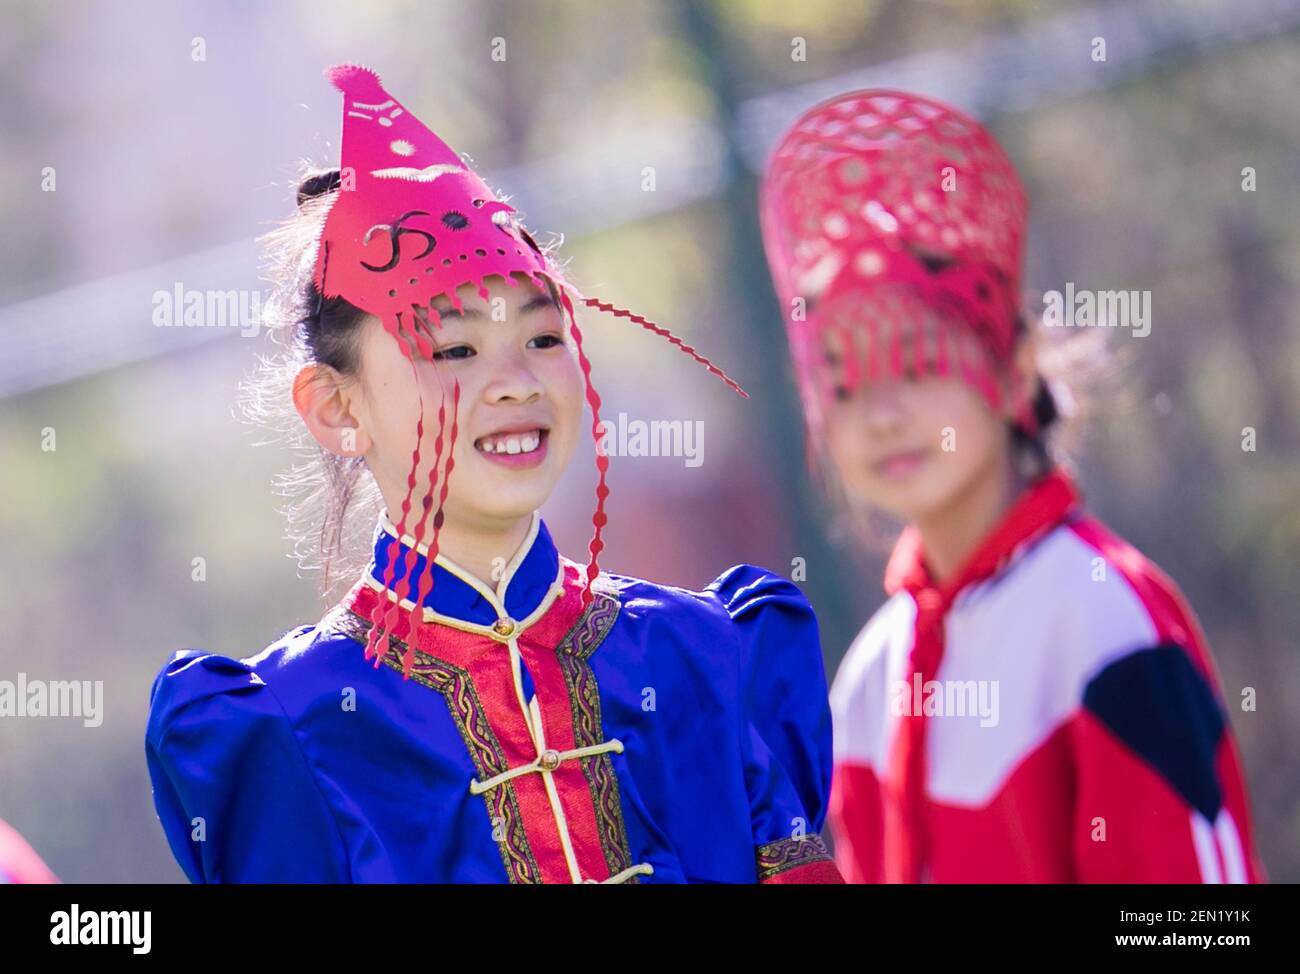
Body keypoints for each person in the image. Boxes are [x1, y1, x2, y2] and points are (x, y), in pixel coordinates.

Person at [144, 63, 841, 884]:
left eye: (543, 339)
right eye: (454, 350)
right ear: (337, 407)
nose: (515, 381)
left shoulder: (702, 654)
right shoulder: (294, 726)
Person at [758, 89, 1265, 883]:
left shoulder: (1101, 616)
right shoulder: (867, 681)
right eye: (845, 383)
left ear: (1012, 367)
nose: (884, 414)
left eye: (918, 365)